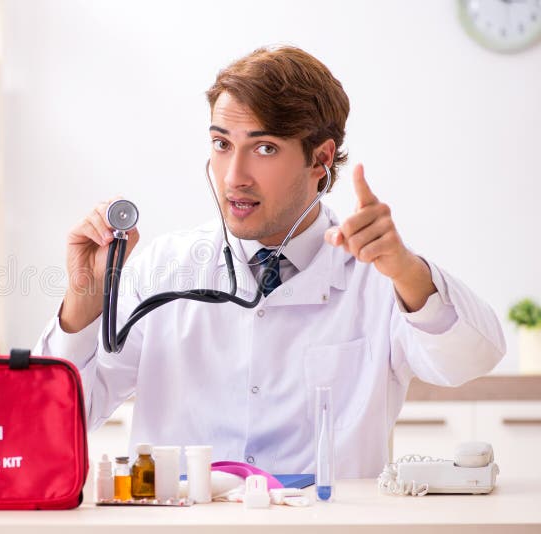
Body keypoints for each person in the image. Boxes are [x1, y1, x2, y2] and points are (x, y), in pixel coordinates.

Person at [33, 46, 505, 477]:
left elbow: (472, 358)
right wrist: (83, 297)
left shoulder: (377, 277)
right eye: (221, 144)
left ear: (320, 159)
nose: (234, 177)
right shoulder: (163, 269)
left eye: (264, 149)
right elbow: (52, 422)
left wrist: (406, 269)